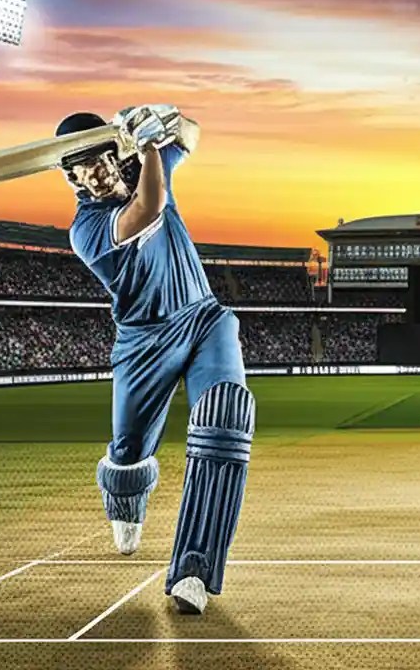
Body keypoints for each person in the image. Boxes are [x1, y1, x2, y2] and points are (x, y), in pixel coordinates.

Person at [58, 105, 253, 615]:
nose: (94, 172)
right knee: (128, 451)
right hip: (144, 343)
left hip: (204, 318)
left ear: (111, 152)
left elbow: (192, 134)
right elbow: (149, 209)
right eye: (80, 167)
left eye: (99, 158)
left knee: (225, 417)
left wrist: (165, 120)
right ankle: (126, 504)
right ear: (71, 177)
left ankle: (194, 567)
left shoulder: (145, 162)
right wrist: (146, 150)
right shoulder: (88, 229)